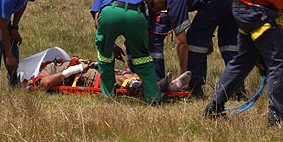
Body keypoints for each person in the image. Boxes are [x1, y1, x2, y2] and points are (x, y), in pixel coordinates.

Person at [139, 0, 239, 99]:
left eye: (152, 5)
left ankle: (194, 87)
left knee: (194, 39)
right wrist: (208, 37)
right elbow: (205, 6)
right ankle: (238, 89)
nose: (154, 10)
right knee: (228, 42)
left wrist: (183, 76)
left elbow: (182, 43)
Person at [90, 0, 160, 104]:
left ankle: (108, 95)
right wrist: (140, 46)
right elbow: (145, 26)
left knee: (105, 57)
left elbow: (97, 18)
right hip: (136, 15)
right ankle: (154, 97)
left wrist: (108, 44)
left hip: (110, 12)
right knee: (143, 59)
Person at [25, 54, 191, 93]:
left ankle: (166, 85)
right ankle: (157, 88)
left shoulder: (54, 64)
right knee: (115, 79)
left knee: (126, 74)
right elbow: (44, 84)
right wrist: (73, 70)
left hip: (86, 69)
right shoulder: (42, 74)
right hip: (82, 76)